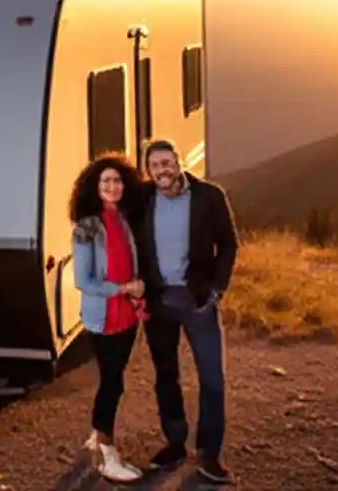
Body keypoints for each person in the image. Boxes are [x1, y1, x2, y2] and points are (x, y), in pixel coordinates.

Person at [130, 139, 239, 484]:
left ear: (178, 162)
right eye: (154, 165)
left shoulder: (209, 196)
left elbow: (229, 244)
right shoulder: (143, 200)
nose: (162, 169)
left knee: (213, 379)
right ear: (148, 171)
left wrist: (216, 289)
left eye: (166, 162)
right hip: (160, 302)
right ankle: (175, 443)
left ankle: (210, 454)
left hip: (198, 301)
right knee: (166, 376)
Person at [69, 153, 149, 484]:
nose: (112, 186)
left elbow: (131, 260)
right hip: (103, 317)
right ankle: (105, 453)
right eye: (105, 181)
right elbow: (83, 281)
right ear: (95, 187)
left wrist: (138, 285)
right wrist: (125, 288)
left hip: (128, 316)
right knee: (112, 382)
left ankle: (98, 435)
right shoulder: (86, 228)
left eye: (117, 180)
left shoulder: (125, 219)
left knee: (114, 380)